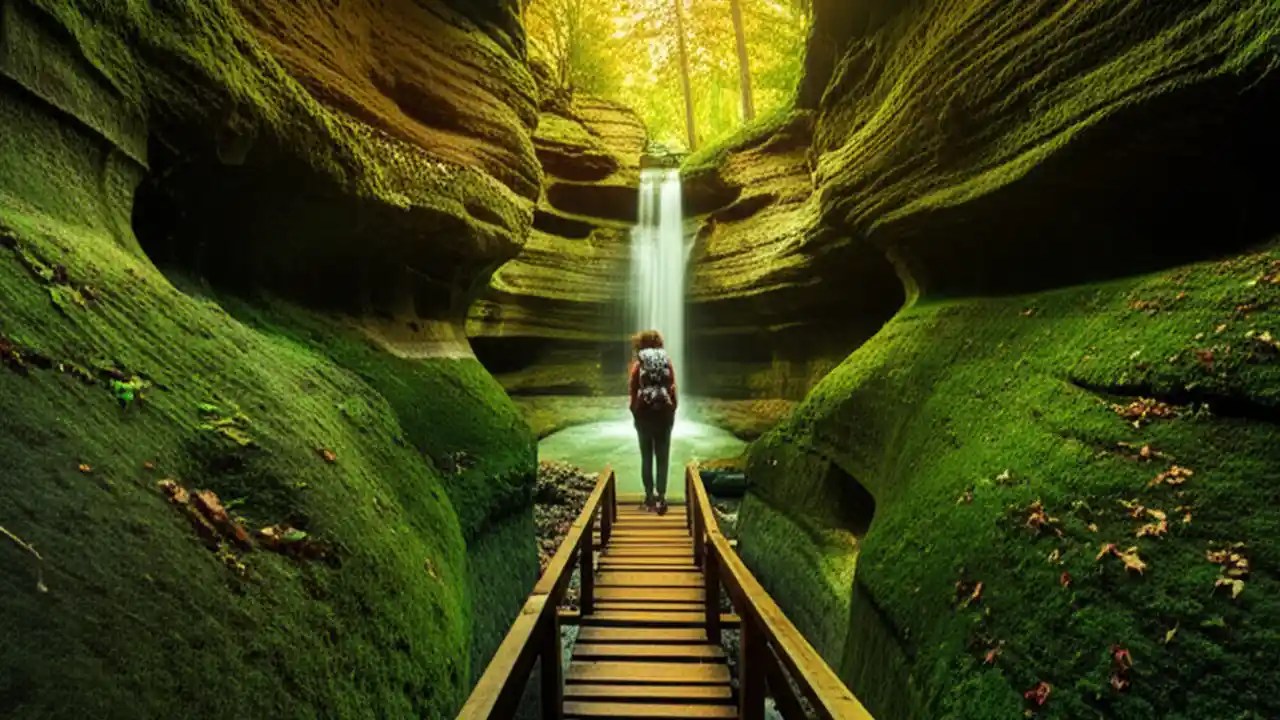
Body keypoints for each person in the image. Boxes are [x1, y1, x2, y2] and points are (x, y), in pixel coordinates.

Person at [628, 330, 677, 515]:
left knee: (646, 457)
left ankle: (649, 497)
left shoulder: (638, 364)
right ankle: (662, 496)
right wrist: (671, 411)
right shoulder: (666, 362)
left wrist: (636, 412)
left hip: (644, 417)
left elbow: (633, 391)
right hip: (664, 417)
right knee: (663, 457)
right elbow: (672, 389)